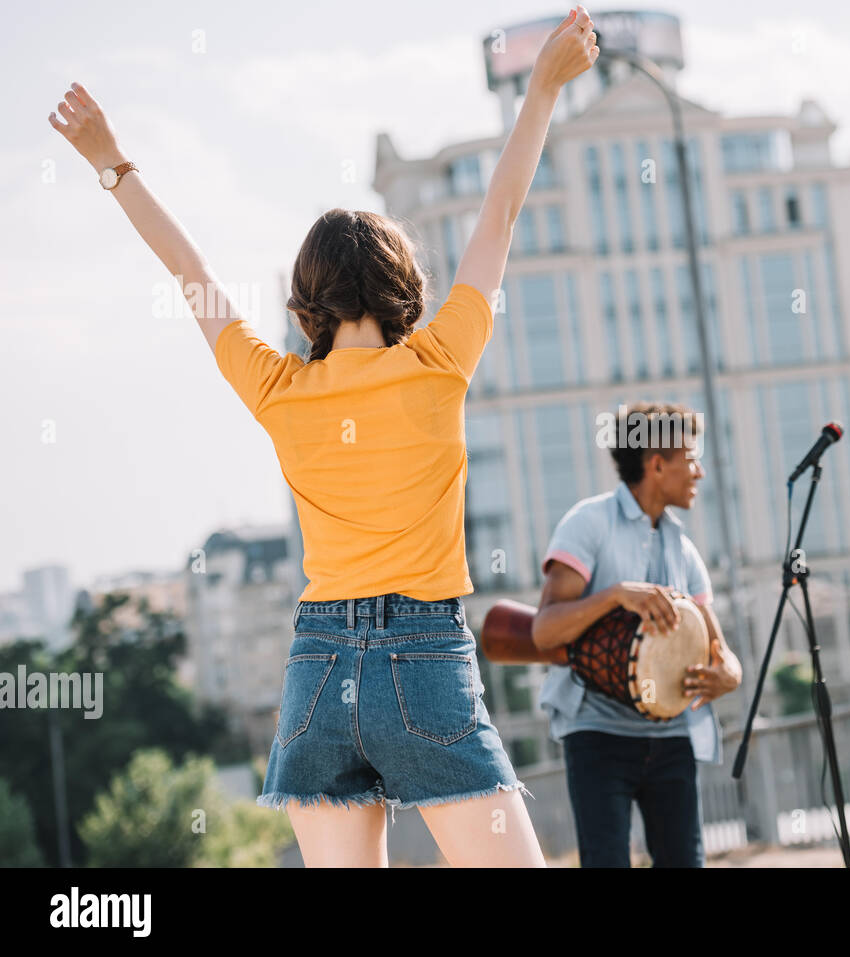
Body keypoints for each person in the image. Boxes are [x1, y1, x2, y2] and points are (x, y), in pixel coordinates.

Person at [48, 6, 603, 867]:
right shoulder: (440, 359)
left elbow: (192, 276)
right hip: (422, 661)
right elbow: (498, 220)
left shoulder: (281, 388)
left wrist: (111, 163)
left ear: (307, 298)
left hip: (315, 671)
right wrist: (541, 91)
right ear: (403, 285)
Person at [532, 402, 743, 867]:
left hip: (671, 738)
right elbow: (544, 630)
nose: (699, 472)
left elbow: (720, 651)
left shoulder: (683, 549)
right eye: (691, 457)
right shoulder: (589, 523)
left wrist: (729, 673)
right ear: (657, 463)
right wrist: (613, 595)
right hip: (598, 735)